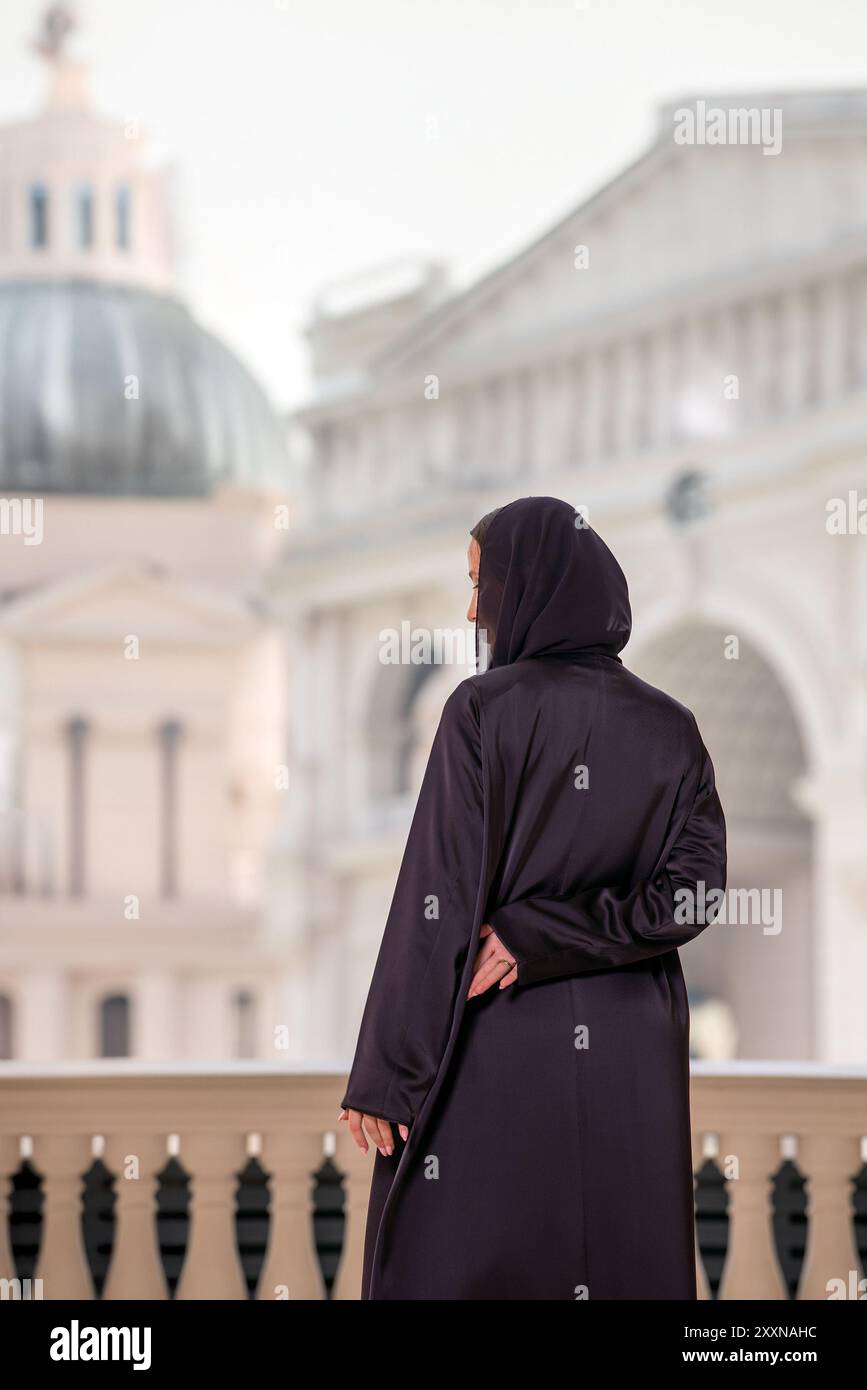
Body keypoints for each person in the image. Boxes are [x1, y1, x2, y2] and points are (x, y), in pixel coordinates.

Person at [338, 495, 727, 1300]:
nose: (472, 608)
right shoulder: (673, 727)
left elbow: (434, 899)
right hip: (630, 1055)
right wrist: (549, 932)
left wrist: (387, 1072)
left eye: (483, 584)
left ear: (532, 585)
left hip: (499, 1040)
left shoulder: (481, 711)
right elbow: (690, 900)